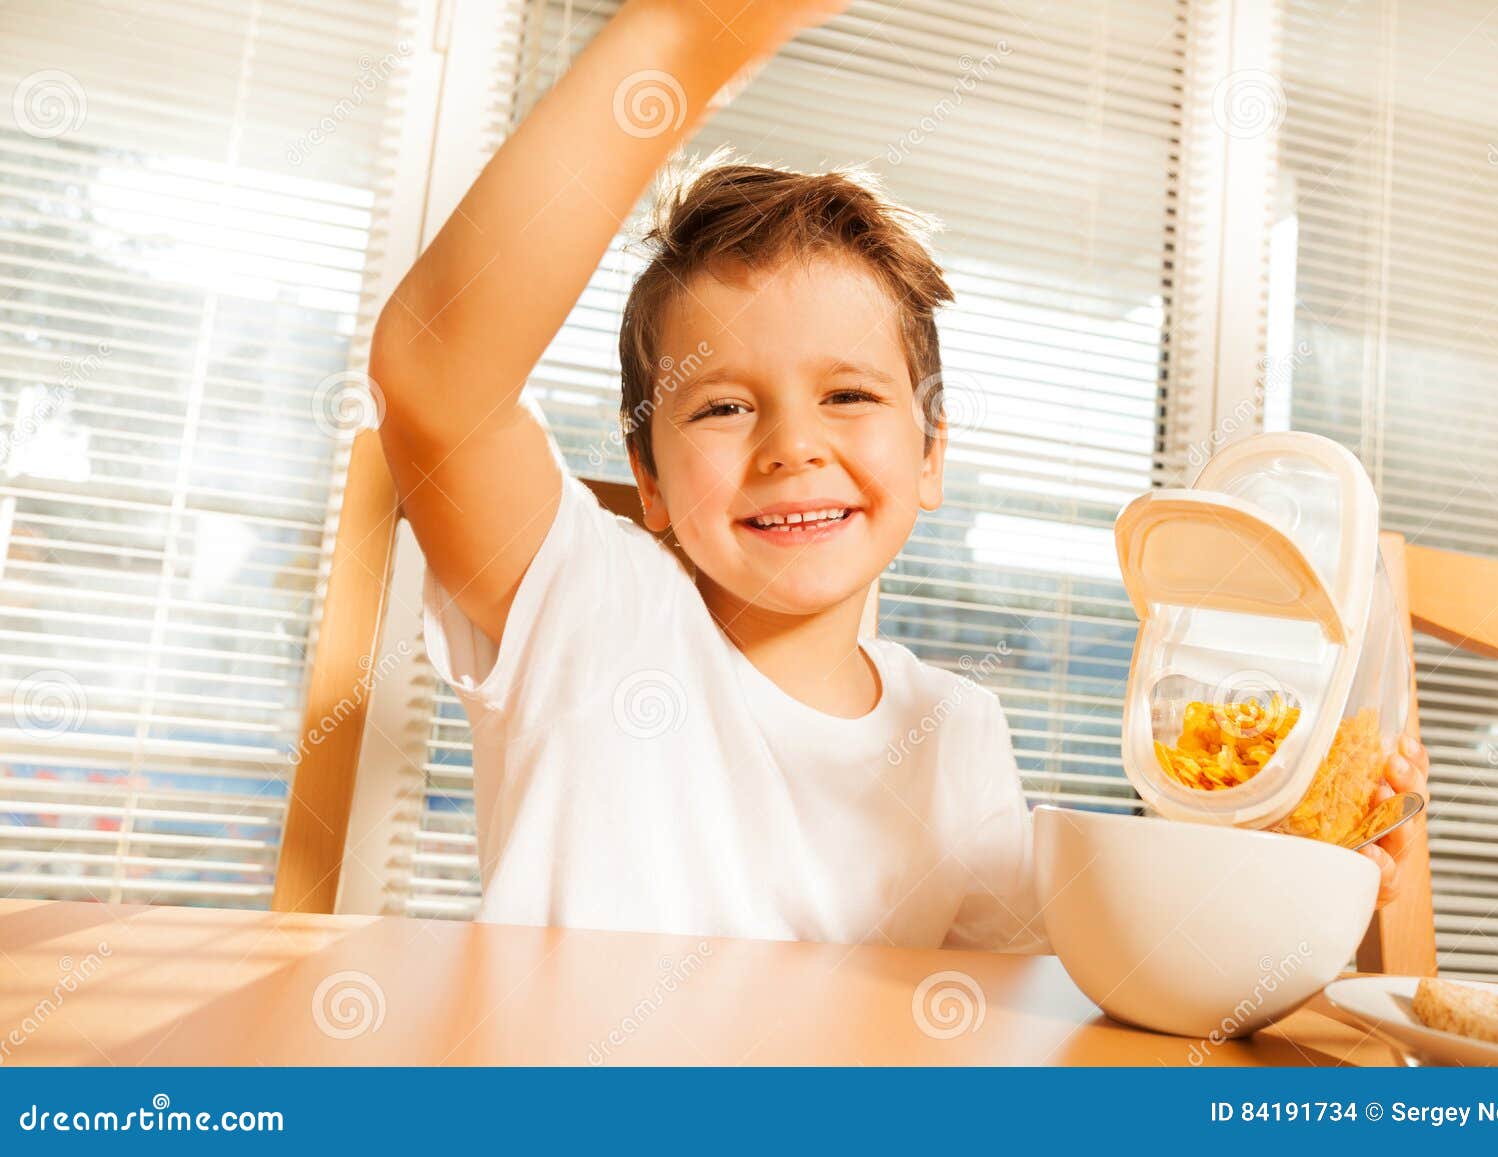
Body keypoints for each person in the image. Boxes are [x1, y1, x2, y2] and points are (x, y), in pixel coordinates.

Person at [370, 0, 1429, 948]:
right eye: (724, 404)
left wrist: (1287, 860)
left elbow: (1031, 1009)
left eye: (848, 395)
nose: (792, 446)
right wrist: (681, 34)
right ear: (646, 476)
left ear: (930, 455)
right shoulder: (590, 609)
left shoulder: (955, 730)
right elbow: (432, 377)